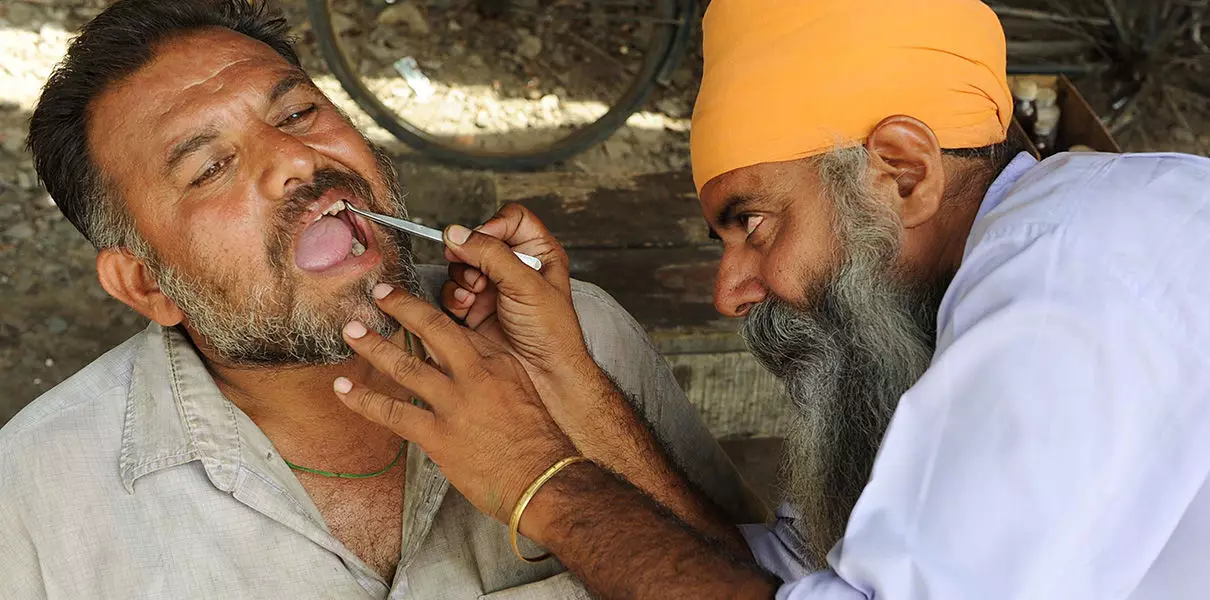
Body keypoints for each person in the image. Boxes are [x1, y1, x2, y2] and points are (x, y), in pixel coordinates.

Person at [331, 0, 1210, 598]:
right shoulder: (936, 326)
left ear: (900, 173)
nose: (730, 290)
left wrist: (539, 481)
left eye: (751, 221)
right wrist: (566, 373)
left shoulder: (1071, 273)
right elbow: (776, 579)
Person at [0, 1, 765, 598]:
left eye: (298, 113)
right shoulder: (38, 495)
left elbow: (754, 585)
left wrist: (576, 402)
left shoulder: (572, 337)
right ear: (145, 284)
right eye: (209, 168)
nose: (296, 158)